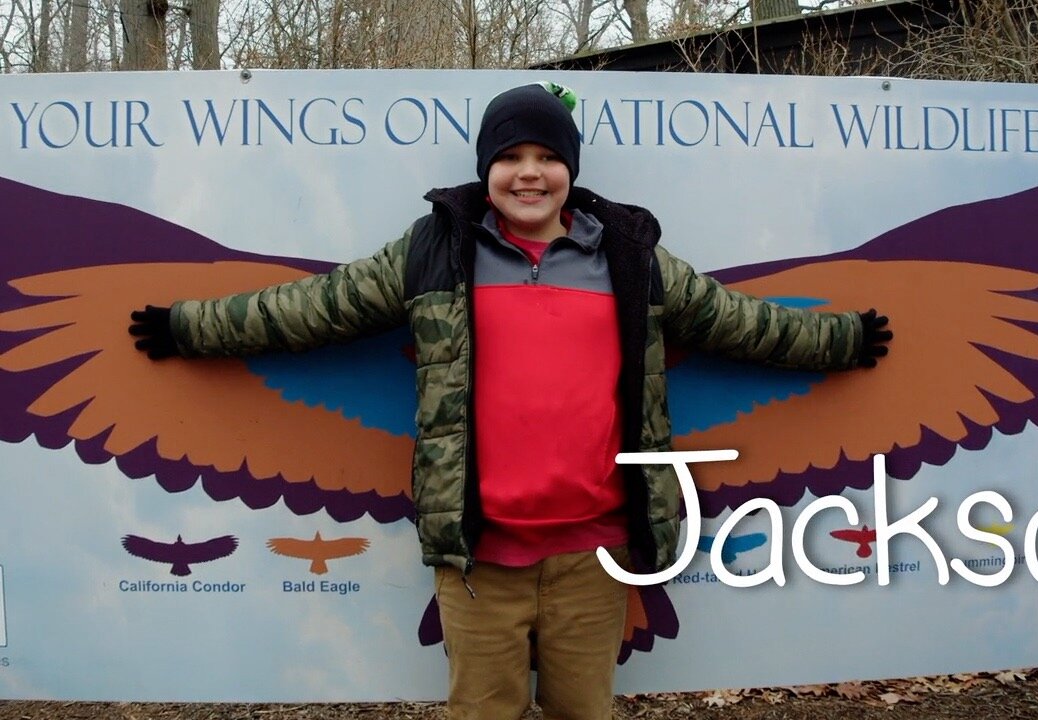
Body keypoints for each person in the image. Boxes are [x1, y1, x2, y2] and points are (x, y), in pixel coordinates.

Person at [128, 81, 892, 720]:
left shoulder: (631, 258)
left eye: (548, 157)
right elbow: (311, 309)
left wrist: (845, 342)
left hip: (597, 556)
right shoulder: (435, 249)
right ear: (487, 169)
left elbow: (739, 322)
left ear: (571, 170)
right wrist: (186, 328)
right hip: (478, 561)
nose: (530, 174)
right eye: (511, 158)